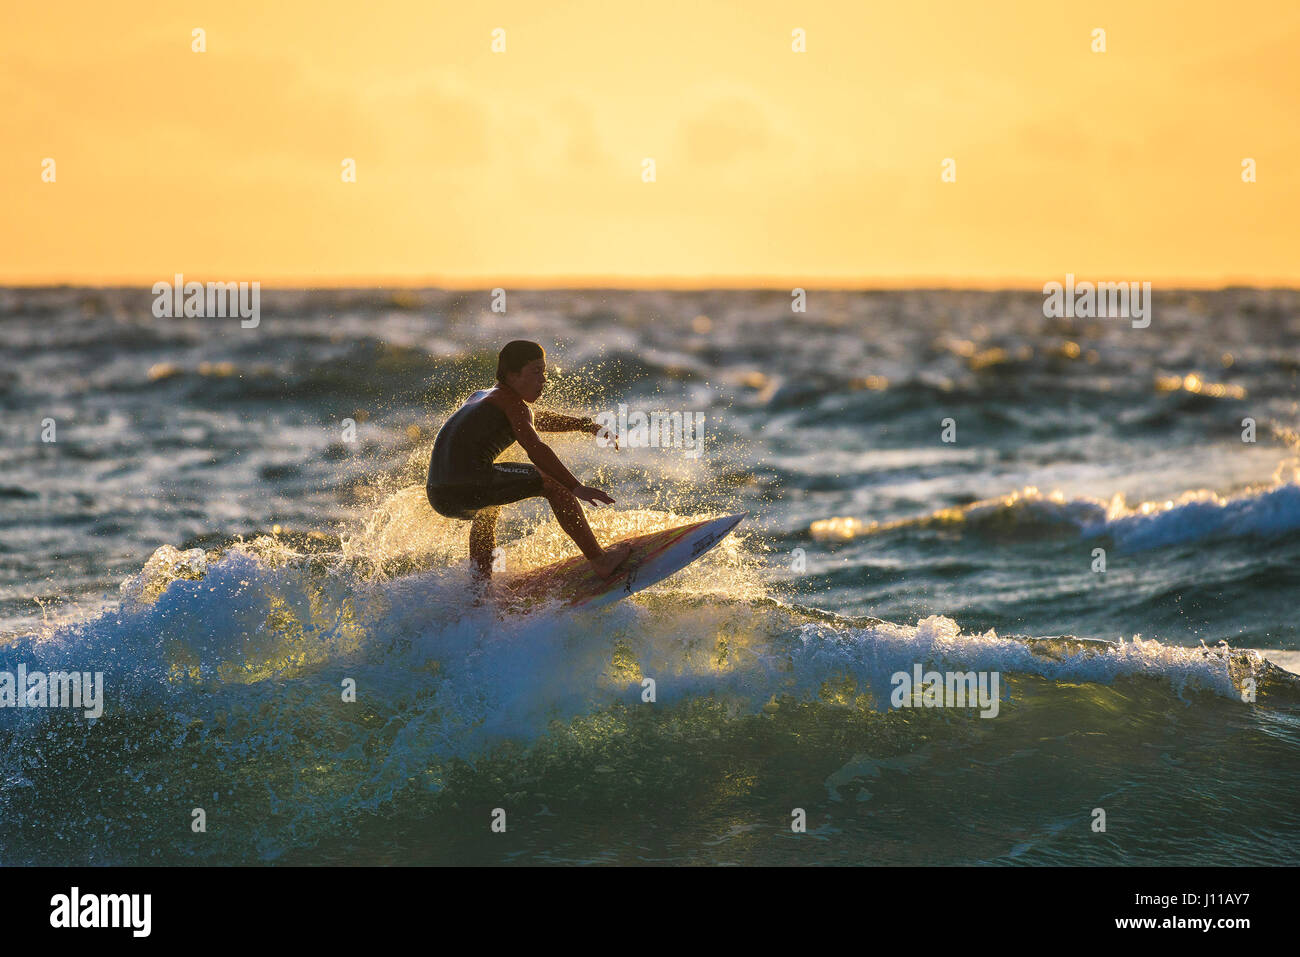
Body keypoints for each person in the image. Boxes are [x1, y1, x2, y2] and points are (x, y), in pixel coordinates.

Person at [426, 340, 632, 580]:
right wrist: (575, 486)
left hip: (440, 493)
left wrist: (584, 425)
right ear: (512, 375)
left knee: (487, 510)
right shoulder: (510, 403)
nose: (543, 379)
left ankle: (480, 591)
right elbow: (534, 447)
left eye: (544, 372)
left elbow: (533, 421)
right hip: (468, 483)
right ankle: (600, 560)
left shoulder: (486, 397)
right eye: (536, 372)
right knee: (553, 483)